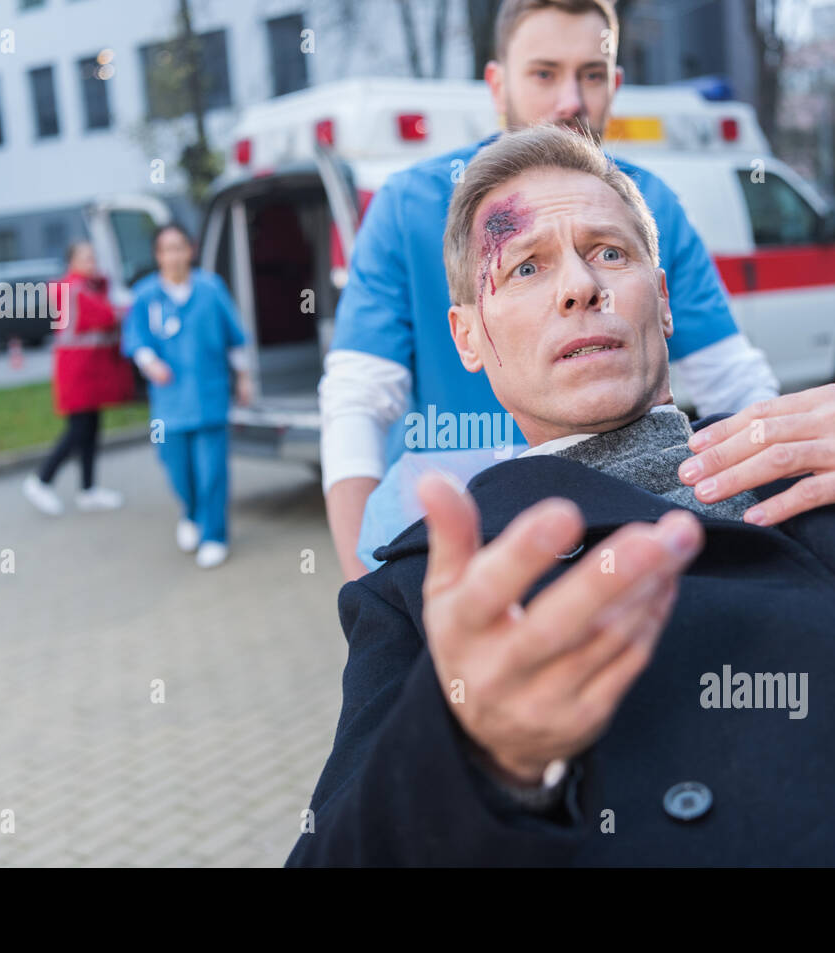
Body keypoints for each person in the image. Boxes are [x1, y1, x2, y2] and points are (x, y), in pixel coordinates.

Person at [288, 125, 835, 867]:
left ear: (667, 300)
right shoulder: (433, 589)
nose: (580, 285)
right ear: (470, 336)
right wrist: (483, 762)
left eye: (609, 251)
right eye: (529, 265)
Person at [320, 0, 780, 580]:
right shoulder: (407, 205)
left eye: (591, 75)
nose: (570, 101)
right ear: (497, 84)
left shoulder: (650, 202)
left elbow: (732, 381)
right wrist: (365, 595)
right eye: (544, 73)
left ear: (613, 85)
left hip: (615, 523)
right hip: (455, 534)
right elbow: (357, 401)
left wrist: (784, 518)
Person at [121, 224, 253, 570]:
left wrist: (243, 377)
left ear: (190, 251)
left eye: (180, 247)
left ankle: (215, 535)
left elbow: (234, 336)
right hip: (169, 402)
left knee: (212, 472)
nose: (174, 255)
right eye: (167, 249)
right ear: (158, 255)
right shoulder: (146, 295)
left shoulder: (210, 289)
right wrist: (149, 362)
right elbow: (135, 339)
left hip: (209, 395)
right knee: (175, 466)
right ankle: (191, 514)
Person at [23, 241, 133, 515]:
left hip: (90, 371)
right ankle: (41, 480)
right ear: (71, 261)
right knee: (78, 430)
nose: (92, 261)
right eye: (85, 257)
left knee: (91, 430)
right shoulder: (74, 289)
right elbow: (108, 314)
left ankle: (88, 489)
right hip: (78, 372)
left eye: (93, 256)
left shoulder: (87, 287)